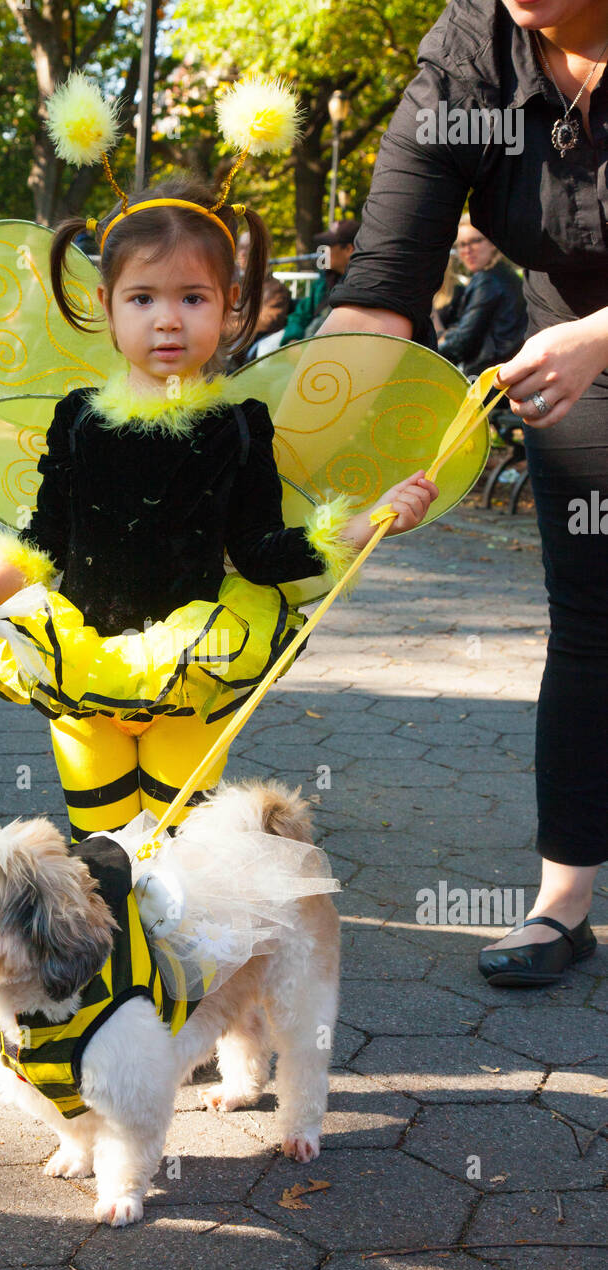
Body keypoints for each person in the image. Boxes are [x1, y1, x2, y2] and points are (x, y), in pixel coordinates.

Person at [0, 175, 438, 843]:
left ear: (231, 305)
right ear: (105, 305)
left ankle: (179, 947)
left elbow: (261, 550)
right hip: (83, 675)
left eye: (192, 297)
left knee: (178, 852)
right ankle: (115, 950)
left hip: (194, 677)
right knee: (103, 856)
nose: (167, 319)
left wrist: (366, 522)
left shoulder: (238, 426)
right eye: (142, 297)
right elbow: (45, 542)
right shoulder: (79, 421)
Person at [320, 0, 608, 987]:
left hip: (587, 342)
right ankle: (562, 906)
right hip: (567, 343)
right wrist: (284, 441)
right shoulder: (468, 52)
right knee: (589, 617)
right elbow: (382, 283)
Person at [437, 217, 528, 377]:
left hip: (488, 379)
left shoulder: (487, 280)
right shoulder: (505, 275)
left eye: (475, 241)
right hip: (504, 373)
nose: (467, 250)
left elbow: (464, 341)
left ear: (493, 243)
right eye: (462, 245)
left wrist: (427, 351)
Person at [279, 219, 360, 346]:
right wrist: (292, 339)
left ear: (349, 249)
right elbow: (301, 313)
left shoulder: (360, 285)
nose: (324, 251)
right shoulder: (324, 280)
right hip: (305, 345)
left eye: (329, 246)